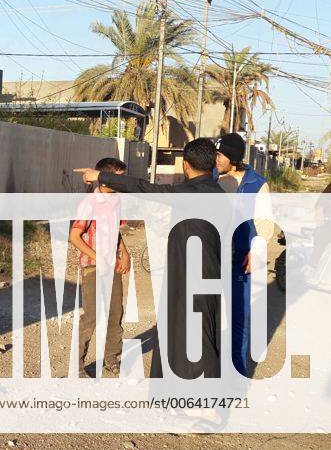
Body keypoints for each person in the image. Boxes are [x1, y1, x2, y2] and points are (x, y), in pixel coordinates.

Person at [74, 138, 226, 380]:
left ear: (186, 165)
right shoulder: (220, 194)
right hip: (208, 274)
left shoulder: (188, 192)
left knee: (194, 331)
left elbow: (143, 187)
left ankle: (205, 398)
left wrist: (101, 177)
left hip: (191, 275)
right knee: (193, 328)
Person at [214, 132, 271, 377]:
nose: (215, 159)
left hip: (242, 262)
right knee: (213, 317)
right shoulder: (215, 180)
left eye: (219, 154)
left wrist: (256, 250)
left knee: (239, 317)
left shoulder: (257, 183)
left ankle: (238, 372)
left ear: (233, 157)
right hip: (216, 257)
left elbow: (266, 224)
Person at [69, 157, 130, 377]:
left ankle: (111, 360)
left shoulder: (117, 200)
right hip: (94, 268)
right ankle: (76, 366)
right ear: (104, 180)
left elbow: (117, 230)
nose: (123, 183)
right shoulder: (89, 203)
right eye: (118, 178)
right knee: (92, 317)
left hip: (112, 268)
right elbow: (74, 237)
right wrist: (98, 257)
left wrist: (125, 252)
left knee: (115, 315)